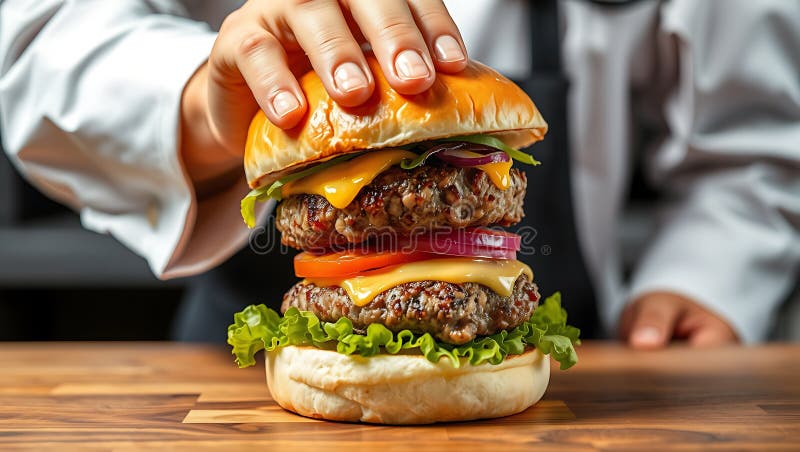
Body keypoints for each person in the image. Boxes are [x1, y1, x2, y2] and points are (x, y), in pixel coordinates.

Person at [1, 0, 798, 347]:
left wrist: (709, 272)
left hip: (582, 384)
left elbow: (753, 129)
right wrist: (201, 105)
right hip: (237, 407)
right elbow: (32, 44)